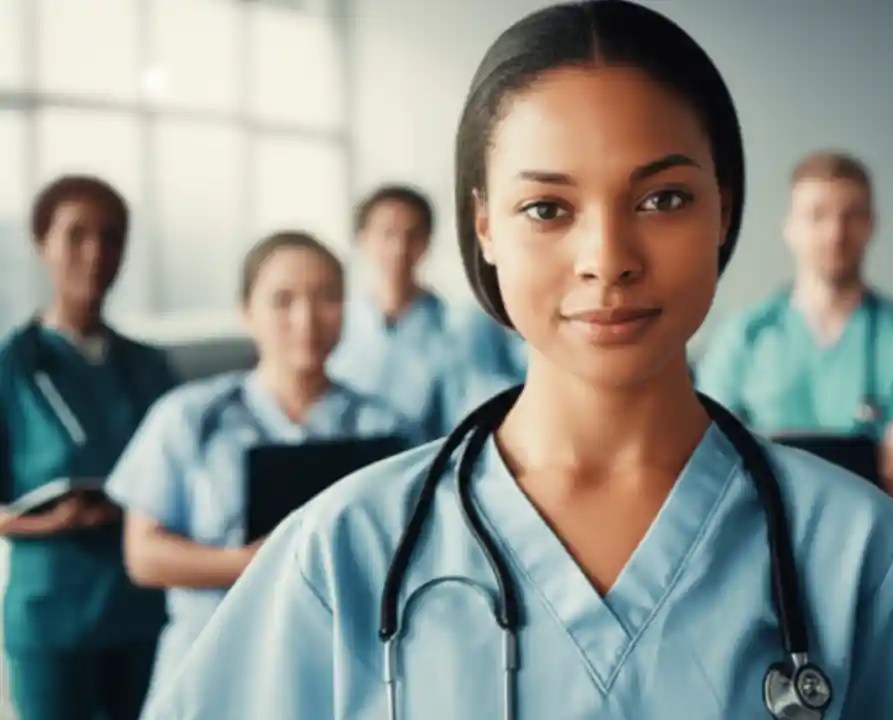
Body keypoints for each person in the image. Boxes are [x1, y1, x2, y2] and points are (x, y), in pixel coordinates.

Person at [140, 3, 893, 718]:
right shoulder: (342, 553)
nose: (608, 257)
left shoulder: (861, 554)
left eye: (662, 198)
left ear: (725, 210)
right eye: (547, 209)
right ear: (482, 225)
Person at [104, 231, 411, 708]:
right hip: (209, 668)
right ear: (247, 310)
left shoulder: (387, 427)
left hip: (336, 670)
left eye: (327, 297)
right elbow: (144, 555)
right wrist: (256, 563)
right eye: (283, 300)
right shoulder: (190, 418)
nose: (306, 319)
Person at [696, 151, 893, 509]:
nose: (835, 232)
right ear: (790, 228)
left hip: (870, 542)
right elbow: (714, 462)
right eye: (817, 215)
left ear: (871, 224)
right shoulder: (744, 338)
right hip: (758, 540)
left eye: (851, 215)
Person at [0, 176, 173, 719]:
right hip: (50, 609)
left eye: (111, 236)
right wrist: (49, 523)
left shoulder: (150, 368)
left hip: (138, 605)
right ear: (41, 243)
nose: (95, 253)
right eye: (75, 235)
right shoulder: (14, 367)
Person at [328, 185, 524, 439]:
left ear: (427, 243)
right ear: (362, 239)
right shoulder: (336, 323)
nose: (400, 248)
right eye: (388, 234)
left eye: (412, 235)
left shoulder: (460, 326)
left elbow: (482, 400)